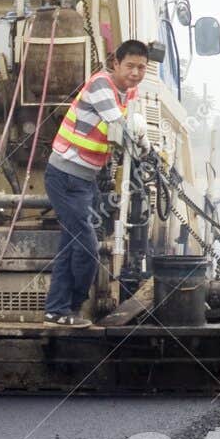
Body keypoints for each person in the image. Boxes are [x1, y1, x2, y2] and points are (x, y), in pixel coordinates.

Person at [42, 39, 150, 327]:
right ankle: (71, 308)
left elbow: (128, 138)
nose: (136, 72)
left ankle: (56, 311)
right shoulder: (101, 85)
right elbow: (118, 125)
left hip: (85, 179)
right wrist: (138, 132)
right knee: (87, 247)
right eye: (130, 66)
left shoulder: (128, 93)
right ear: (115, 63)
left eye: (142, 67)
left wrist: (141, 141)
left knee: (70, 246)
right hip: (65, 176)